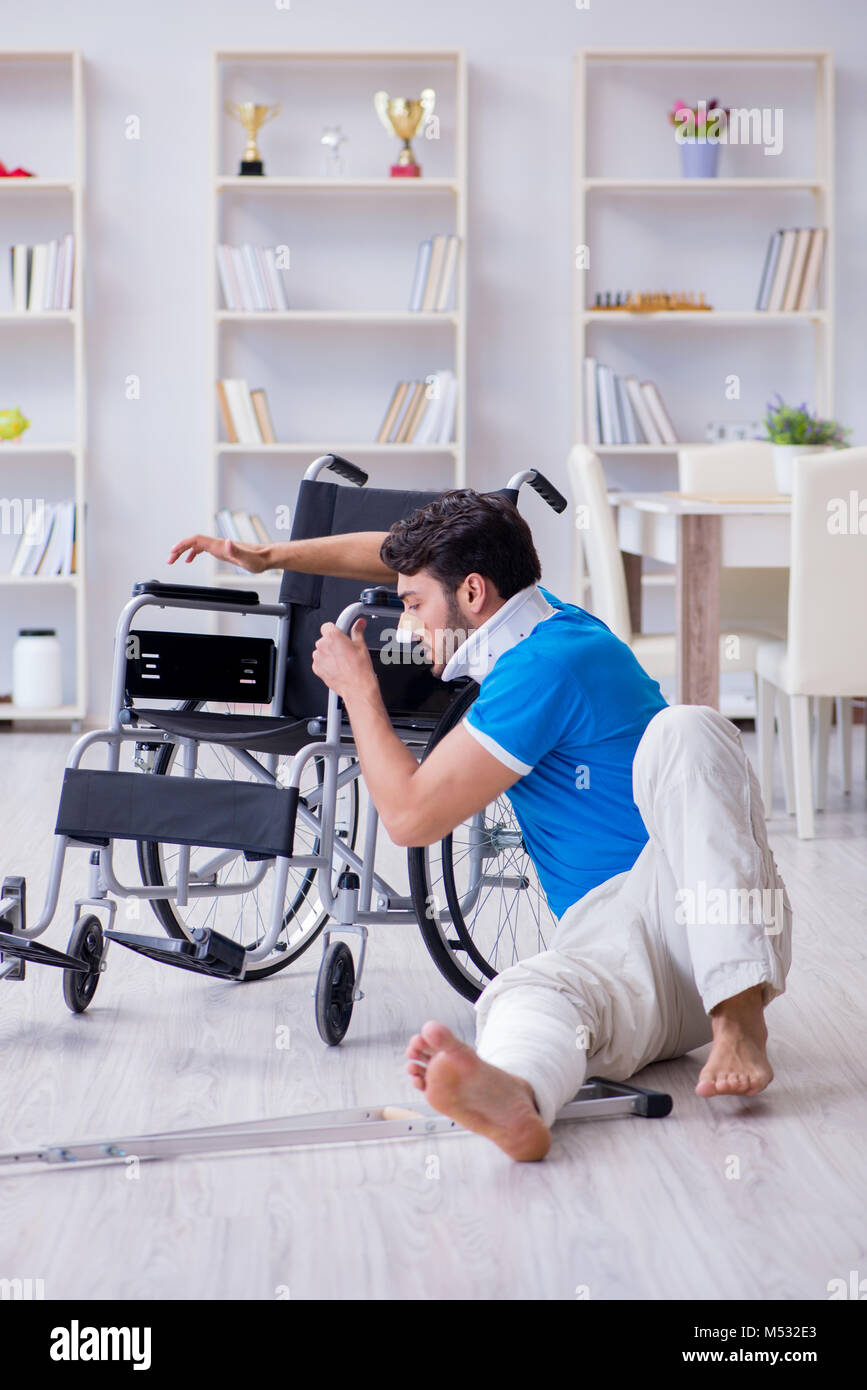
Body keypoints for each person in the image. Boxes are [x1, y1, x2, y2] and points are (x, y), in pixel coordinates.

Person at [169, 490, 793, 1163]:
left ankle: (738, 1015)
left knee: (687, 728)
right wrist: (268, 556)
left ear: (471, 592)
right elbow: (391, 558)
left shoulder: (547, 663)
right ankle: (519, 1095)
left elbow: (409, 818)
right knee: (526, 992)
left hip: (700, 915)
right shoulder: (528, 624)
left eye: (411, 607)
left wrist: (358, 691)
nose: (404, 632)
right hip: (619, 948)